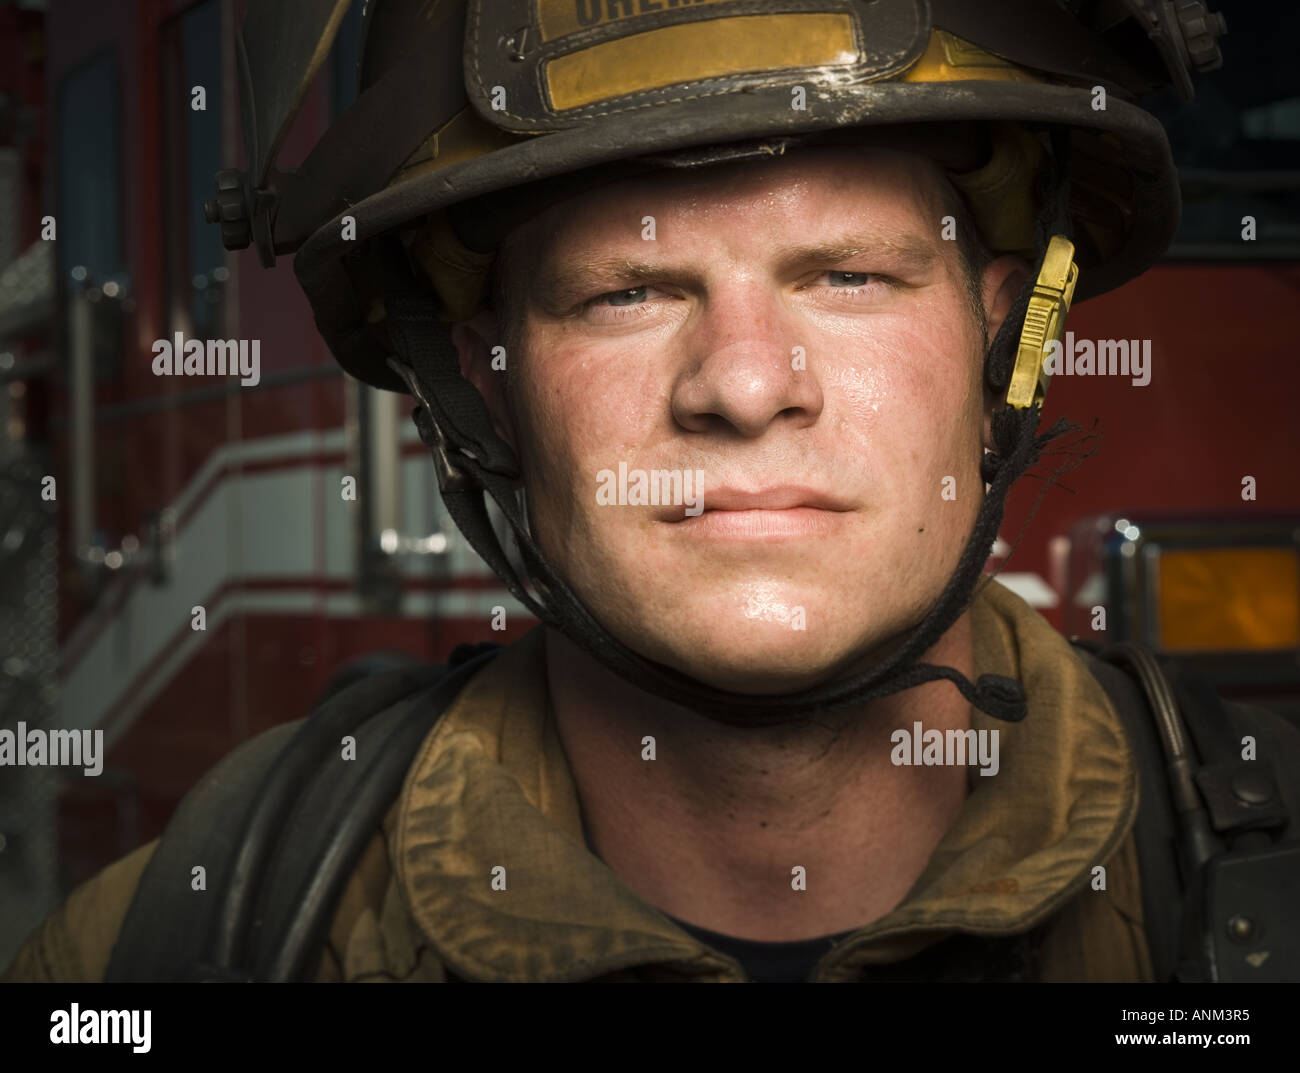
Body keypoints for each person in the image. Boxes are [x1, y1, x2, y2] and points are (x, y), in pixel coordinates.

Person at [9, 0, 1295, 984]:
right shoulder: (168, 943)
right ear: (485, 385)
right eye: (625, 293)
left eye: (849, 275)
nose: (743, 385)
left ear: (1003, 338)